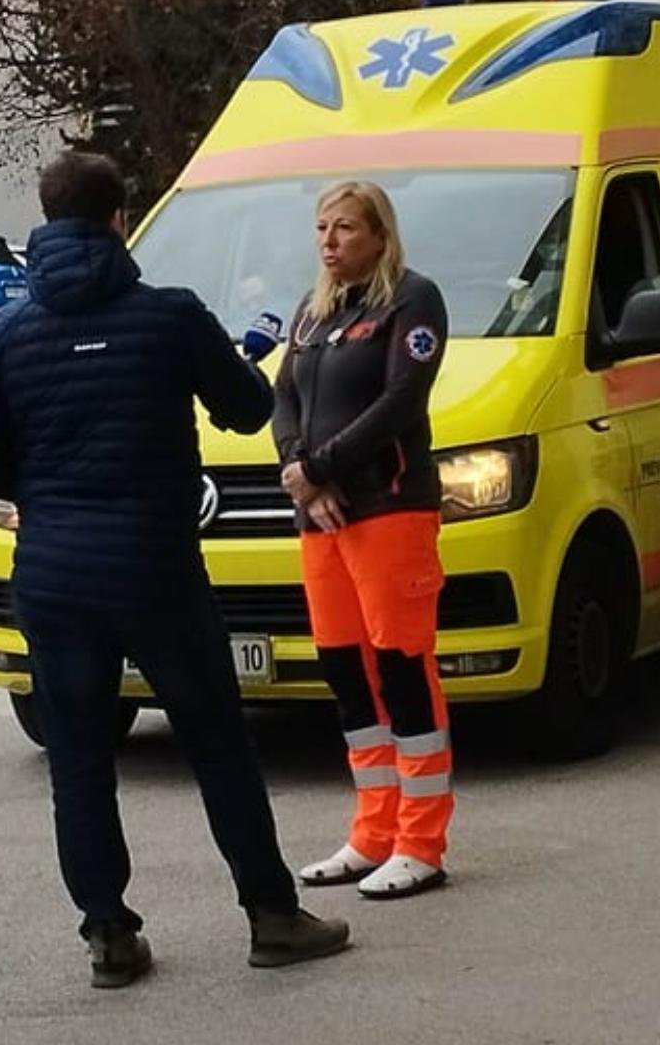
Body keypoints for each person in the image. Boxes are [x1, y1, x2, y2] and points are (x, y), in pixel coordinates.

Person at [0, 151, 350, 989]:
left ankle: (109, 935)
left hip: (56, 574)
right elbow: (246, 410)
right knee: (216, 743)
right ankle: (271, 915)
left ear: (45, 219)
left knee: (80, 758)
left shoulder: (8, 332)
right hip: (158, 568)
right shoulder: (168, 316)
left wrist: (51, 495)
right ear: (120, 219)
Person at [273, 181, 455, 900]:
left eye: (345, 228)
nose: (329, 241)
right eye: (322, 227)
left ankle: (421, 839)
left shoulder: (411, 300)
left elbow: (400, 400)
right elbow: (285, 395)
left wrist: (321, 467)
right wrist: (302, 477)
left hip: (389, 508)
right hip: (322, 517)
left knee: (402, 668)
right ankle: (372, 830)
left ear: (380, 235)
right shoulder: (316, 311)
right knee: (346, 671)